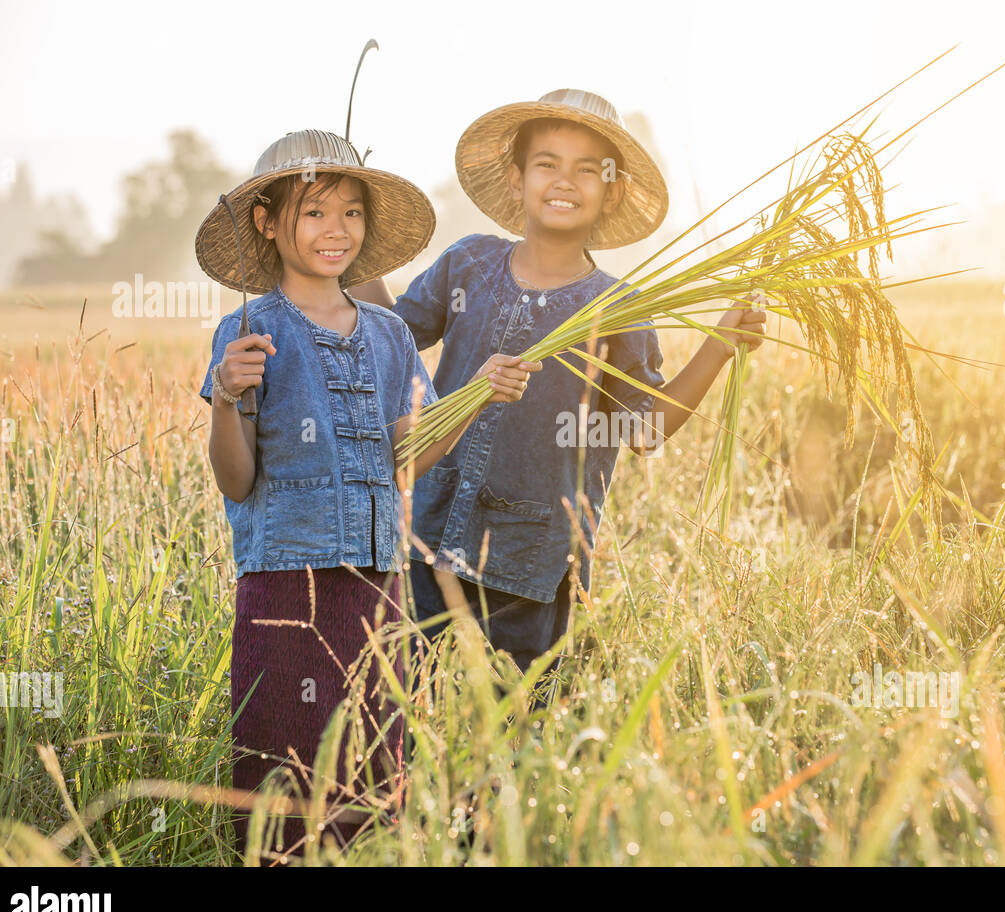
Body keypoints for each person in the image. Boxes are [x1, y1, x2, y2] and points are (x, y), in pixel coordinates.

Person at [195, 128, 539, 862]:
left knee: (373, 771)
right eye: (315, 212)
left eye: (351, 214)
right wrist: (227, 397)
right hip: (285, 588)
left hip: (376, 589)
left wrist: (478, 392)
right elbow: (235, 480)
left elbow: (407, 459)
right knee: (283, 775)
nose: (336, 231)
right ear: (266, 220)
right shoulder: (250, 332)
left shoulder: (388, 335)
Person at [351, 89, 765, 684]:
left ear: (611, 190)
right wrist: (355, 252)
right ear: (517, 179)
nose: (563, 181)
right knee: (401, 716)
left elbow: (644, 430)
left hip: (537, 565)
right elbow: (392, 337)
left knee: (513, 736)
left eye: (587, 169)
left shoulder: (617, 306)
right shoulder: (467, 264)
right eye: (546, 163)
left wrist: (719, 344)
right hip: (427, 538)